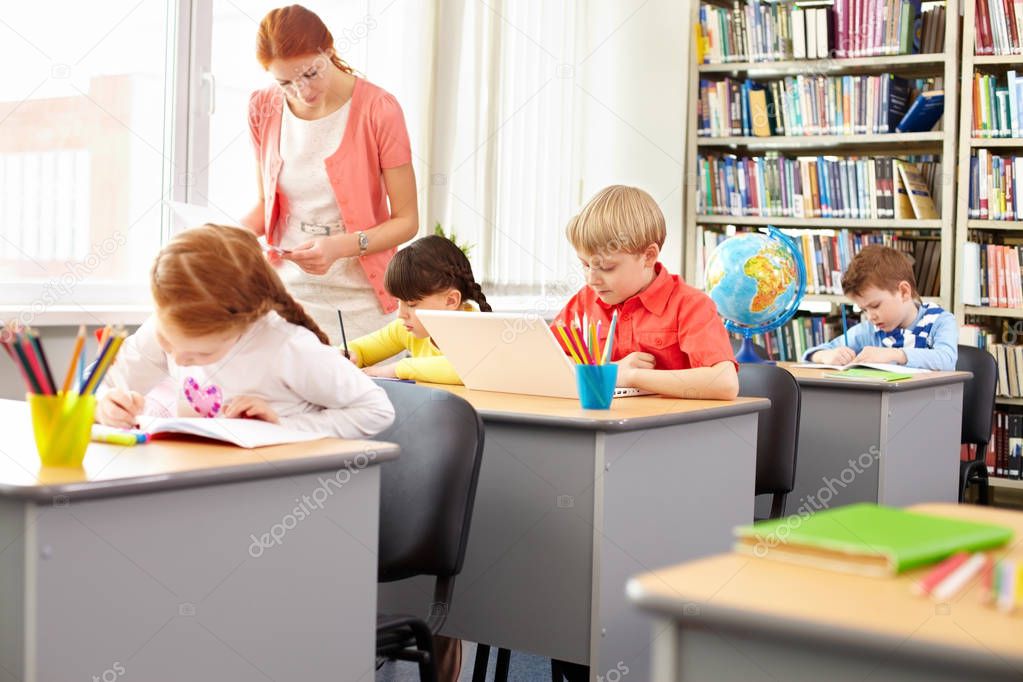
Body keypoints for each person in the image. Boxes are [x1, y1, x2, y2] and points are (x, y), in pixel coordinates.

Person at [95, 225, 394, 438]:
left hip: (274, 488)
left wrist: (283, 425)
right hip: (201, 481)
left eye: (203, 353)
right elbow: (100, 386)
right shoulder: (172, 321)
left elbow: (376, 410)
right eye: (166, 341)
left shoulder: (287, 347)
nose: (179, 359)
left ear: (242, 322)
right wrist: (105, 407)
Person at [242, 4, 419, 343]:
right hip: (288, 301)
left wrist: (340, 247)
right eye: (285, 83)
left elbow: (407, 221)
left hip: (363, 306)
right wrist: (228, 235)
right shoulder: (262, 107)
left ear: (329, 50)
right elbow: (266, 206)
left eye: (310, 73)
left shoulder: (379, 110)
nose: (302, 92)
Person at [552, 185, 739, 400]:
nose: (591, 279)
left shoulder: (690, 305)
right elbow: (544, 362)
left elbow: (725, 384)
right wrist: (611, 369)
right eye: (585, 265)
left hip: (668, 429)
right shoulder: (586, 301)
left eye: (607, 267)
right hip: (603, 422)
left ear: (648, 257)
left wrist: (631, 377)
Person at [348, 235, 491, 383]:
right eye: (399, 301)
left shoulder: (478, 331)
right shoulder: (406, 328)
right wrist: (348, 354)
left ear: (451, 300)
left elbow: (466, 367)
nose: (400, 314)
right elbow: (358, 349)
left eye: (411, 304)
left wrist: (395, 370)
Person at [803, 244, 958, 370]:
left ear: (904, 292)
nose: (870, 316)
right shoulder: (869, 331)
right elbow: (811, 354)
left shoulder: (940, 321)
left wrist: (894, 354)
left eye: (875, 305)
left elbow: (947, 360)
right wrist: (825, 356)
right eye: (864, 309)